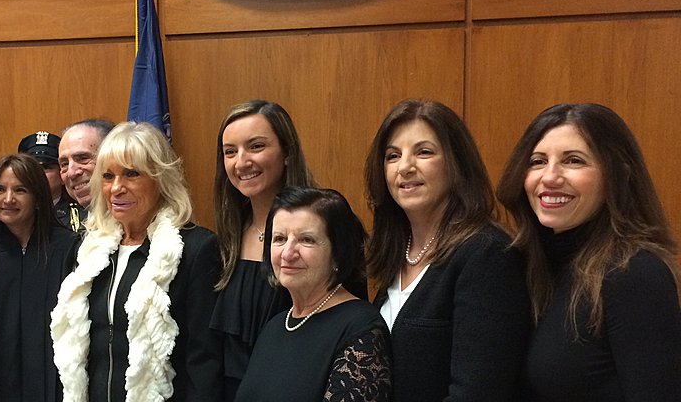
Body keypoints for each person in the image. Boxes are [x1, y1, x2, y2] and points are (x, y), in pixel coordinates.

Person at [496, 103, 681, 402]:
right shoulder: (525, 267)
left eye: (573, 161)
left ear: (617, 176)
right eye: (538, 161)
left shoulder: (635, 274)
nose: (550, 176)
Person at [364, 99, 530, 402]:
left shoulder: (487, 254)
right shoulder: (397, 253)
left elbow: (479, 392)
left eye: (424, 152)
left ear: (457, 163)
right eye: (392, 156)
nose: (405, 167)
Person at [50, 121, 222, 401]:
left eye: (131, 174)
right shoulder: (90, 250)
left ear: (159, 178)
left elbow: (204, 360)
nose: (116, 188)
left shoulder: (194, 248)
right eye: (107, 176)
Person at [236, 187, 392, 401]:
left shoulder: (361, 328)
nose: (288, 253)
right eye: (279, 238)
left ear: (338, 253)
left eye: (306, 240)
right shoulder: (275, 326)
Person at [209, 100, 317, 399]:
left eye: (256, 146)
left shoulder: (326, 232)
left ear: (286, 153)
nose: (241, 162)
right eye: (230, 152)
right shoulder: (224, 242)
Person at [0, 153, 77, 402]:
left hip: (55, 384)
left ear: (38, 197)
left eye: (20, 190)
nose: (8, 199)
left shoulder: (69, 250)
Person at [57, 119, 114, 233]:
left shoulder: (152, 233)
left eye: (83, 158)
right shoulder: (68, 237)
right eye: (64, 164)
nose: (71, 173)